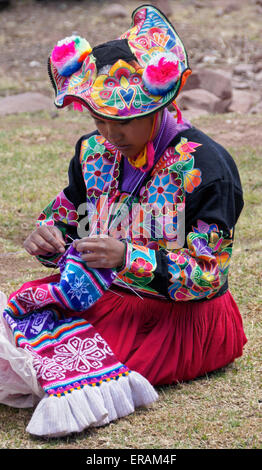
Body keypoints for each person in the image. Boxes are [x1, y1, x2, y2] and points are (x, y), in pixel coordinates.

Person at [0, 5, 247, 436]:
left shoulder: (206, 168)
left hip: (182, 318)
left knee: (61, 358)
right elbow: (67, 217)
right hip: (107, 293)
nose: (111, 134)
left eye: (125, 121)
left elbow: (208, 276)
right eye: (100, 119)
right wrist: (49, 235)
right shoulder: (93, 152)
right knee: (24, 319)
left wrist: (126, 257)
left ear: (160, 107)